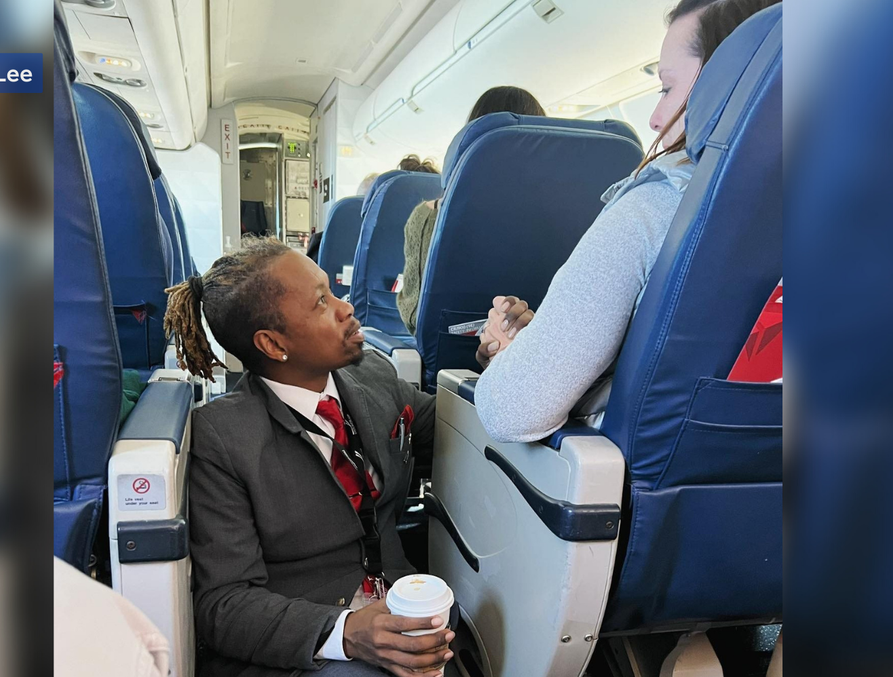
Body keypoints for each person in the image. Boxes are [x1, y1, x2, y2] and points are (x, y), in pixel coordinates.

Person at [473, 0, 781, 442]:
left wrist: (510, 360)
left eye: (666, 89)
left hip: (635, 498)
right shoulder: (871, 223)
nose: (656, 120)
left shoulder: (657, 208)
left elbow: (515, 409)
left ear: (727, 85)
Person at [163, 238, 458, 677]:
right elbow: (224, 603)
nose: (346, 308)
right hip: (308, 645)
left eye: (332, 291)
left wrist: (503, 363)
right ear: (273, 343)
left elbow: (453, 431)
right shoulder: (223, 437)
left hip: (403, 603)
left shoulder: (371, 374)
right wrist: (346, 633)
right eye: (322, 303)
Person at [396, 86, 546, 335]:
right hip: (547, 352)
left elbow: (414, 317)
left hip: (452, 358)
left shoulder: (429, 217)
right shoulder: (572, 215)